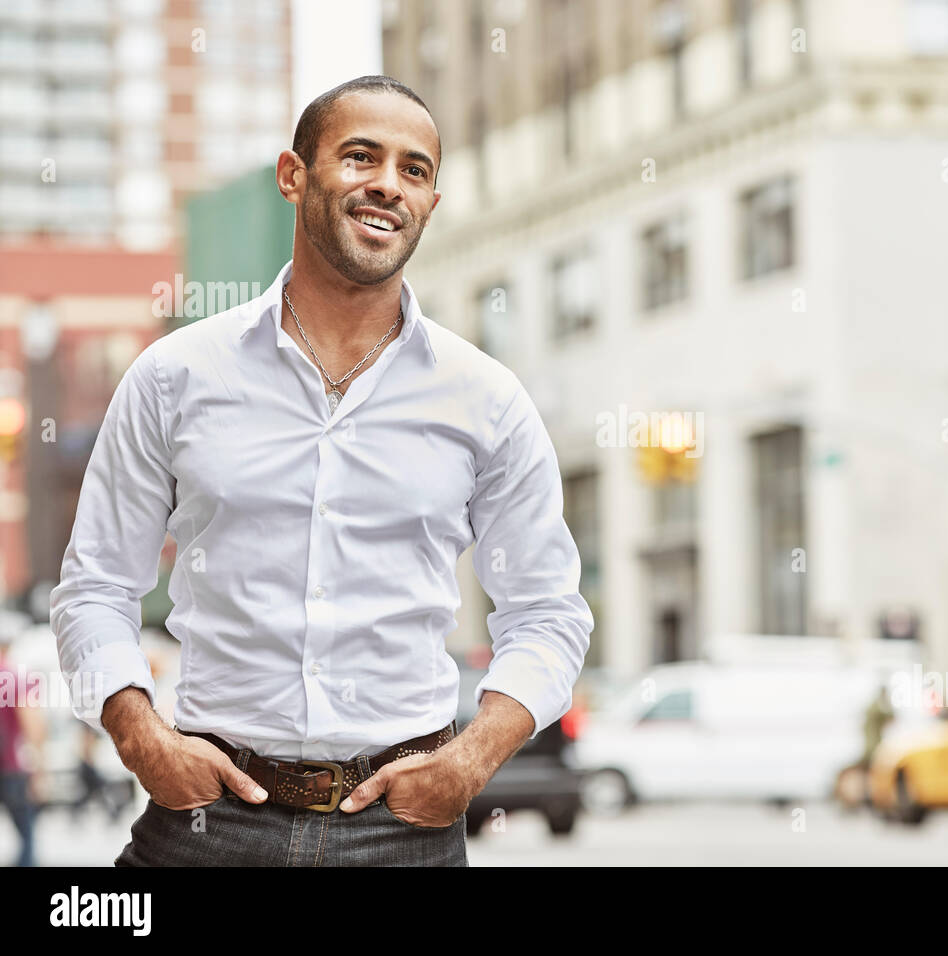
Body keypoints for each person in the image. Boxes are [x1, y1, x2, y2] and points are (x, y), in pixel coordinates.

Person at [50, 75, 594, 867]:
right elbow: (96, 585)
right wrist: (142, 740)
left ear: (431, 205)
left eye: (414, 170)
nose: (388, 184)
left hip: (403, 830)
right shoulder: (176, 377)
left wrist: (470, 763)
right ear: (293, 175)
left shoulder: (487, 398)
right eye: (360, 156)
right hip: (210, 820)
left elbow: (548, 611)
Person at [0, 633, 46, 867]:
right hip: (11, 766)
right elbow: (32, 723)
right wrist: (38, 769)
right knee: (26, 836)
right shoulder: (14, 677)